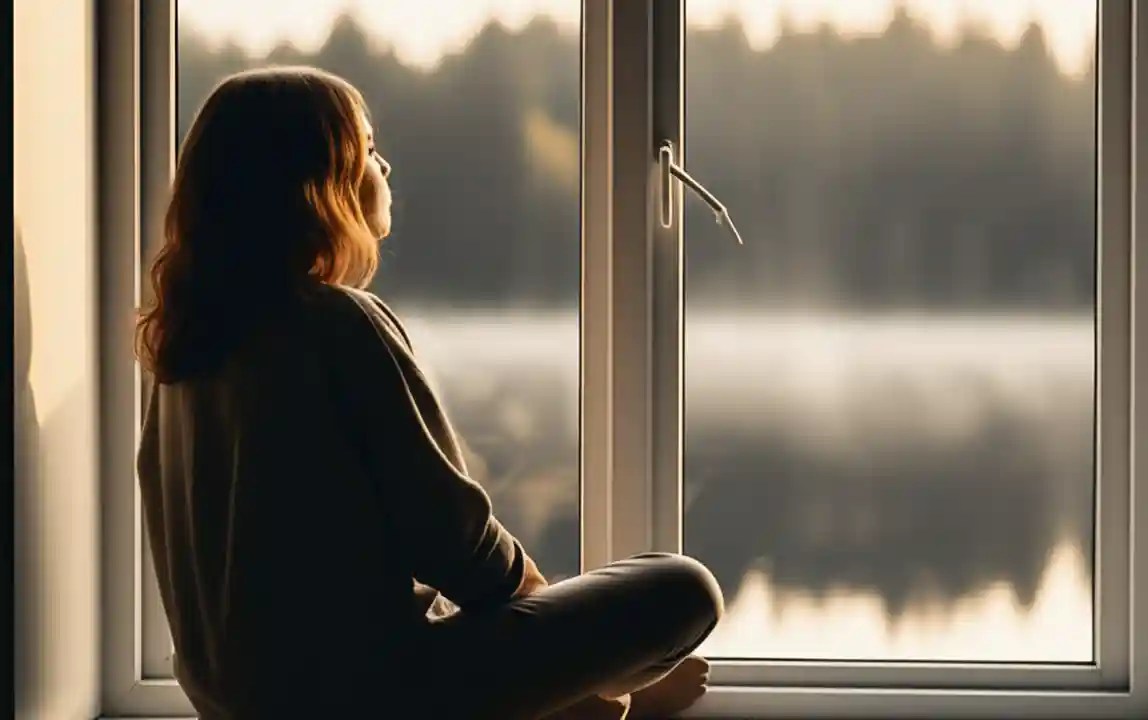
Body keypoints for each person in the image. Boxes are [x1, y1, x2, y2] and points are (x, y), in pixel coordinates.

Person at [134, 65, 723, 719]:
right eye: (368, 148)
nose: (384, 168)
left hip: (236, 707)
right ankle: (593, 703)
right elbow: (454, 542)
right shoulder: (336, 322)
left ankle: (579, 706)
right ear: (315, 184)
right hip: (368, 702)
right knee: (685, 588)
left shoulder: (183, 357)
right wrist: (554, 635)